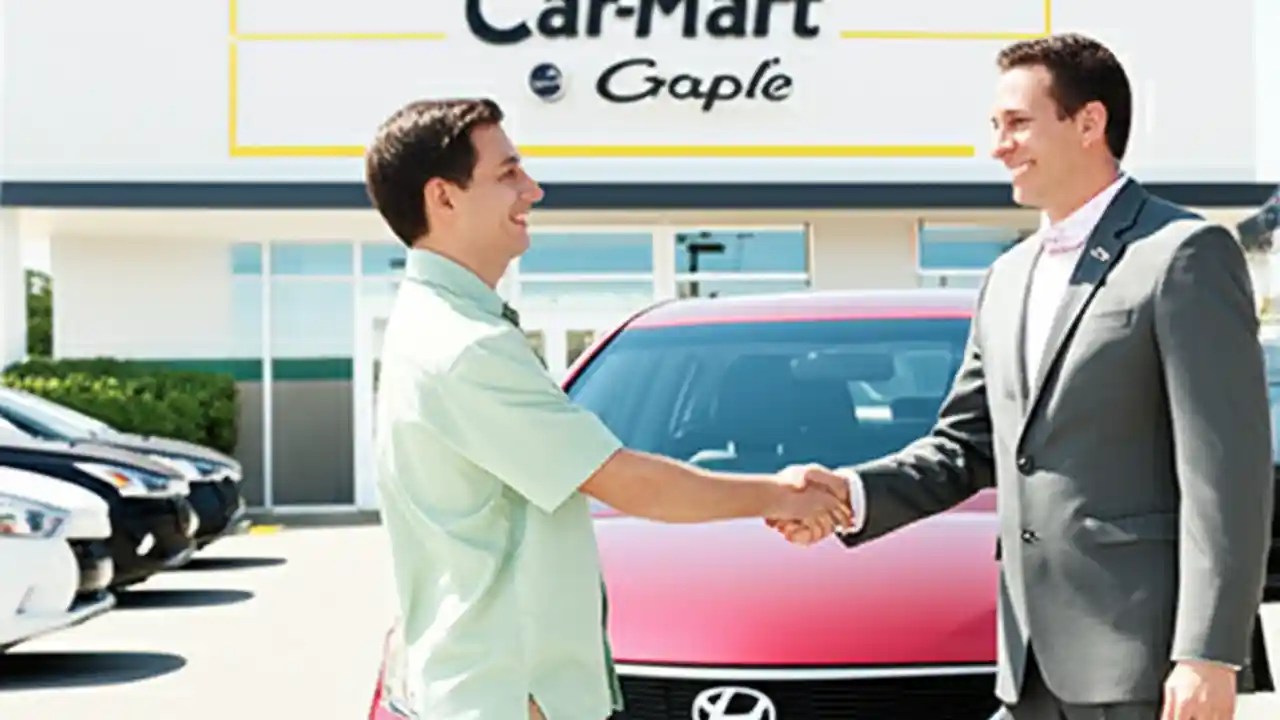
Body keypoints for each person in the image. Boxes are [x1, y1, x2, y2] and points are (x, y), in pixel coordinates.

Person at [772, 33, 1274, 720]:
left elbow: (1228, 474)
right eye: (994, 127)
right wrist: (851, 492)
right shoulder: (1006, 277)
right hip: (1028, 662)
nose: (998, 145)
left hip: (1146, 666)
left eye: (1017, 123)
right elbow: (966, 447)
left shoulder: (1183, 254)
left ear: (1089, 123)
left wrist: (1209, 653)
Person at [362, 97, 850, 720]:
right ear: (444, 198)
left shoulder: (433, 328)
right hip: (510, 695)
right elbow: (625, 481)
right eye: (507, 172)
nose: (531, 190)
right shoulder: (466, 348)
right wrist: (779, 495)